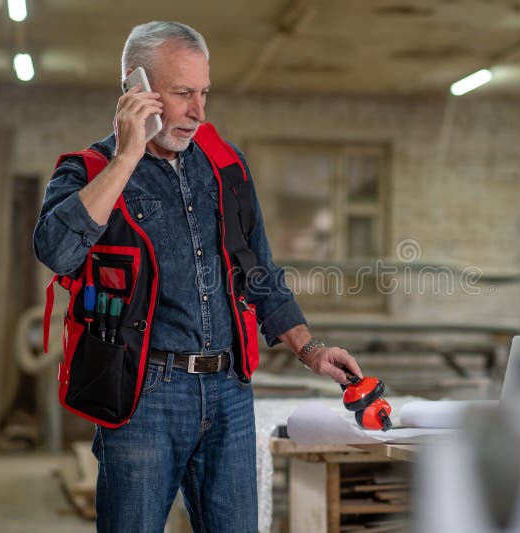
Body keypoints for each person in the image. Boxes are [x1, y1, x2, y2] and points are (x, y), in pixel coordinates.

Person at [33, 21, 363, 533]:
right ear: (136, 88)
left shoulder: (225, 166)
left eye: (204, 93)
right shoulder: (89, 170)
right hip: (144, 398)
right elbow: (56, 250)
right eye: (183, 93)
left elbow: (260, 271)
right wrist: (126, 158)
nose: (198, 112)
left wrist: (310, 347)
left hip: (229, 392)